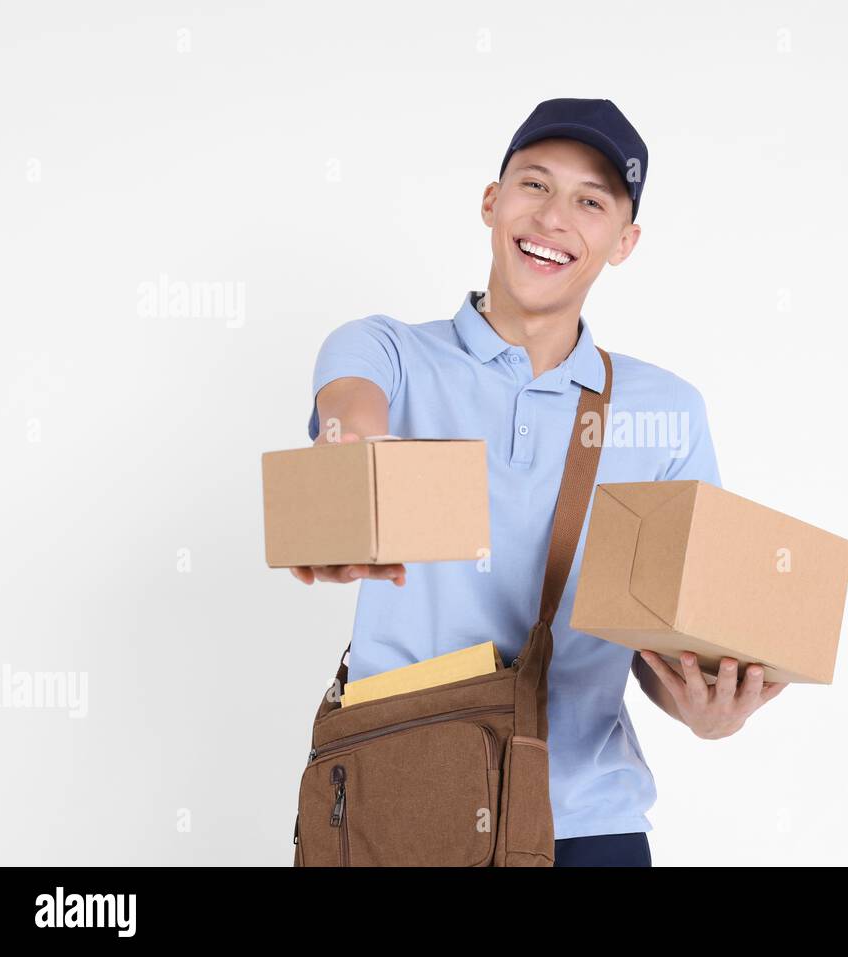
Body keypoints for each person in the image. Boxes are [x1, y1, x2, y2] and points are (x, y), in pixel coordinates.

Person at [291, 98, 786, 866]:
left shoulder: (667, 413)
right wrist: (347, 474)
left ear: (624, 242)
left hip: (585, 823)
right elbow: (351, 415)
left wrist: (704, 709)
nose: (555, 216)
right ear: (492, 202)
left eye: (590, 201)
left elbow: (668, 639)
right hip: (406, 806)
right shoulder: (388, 350)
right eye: (535, 185)